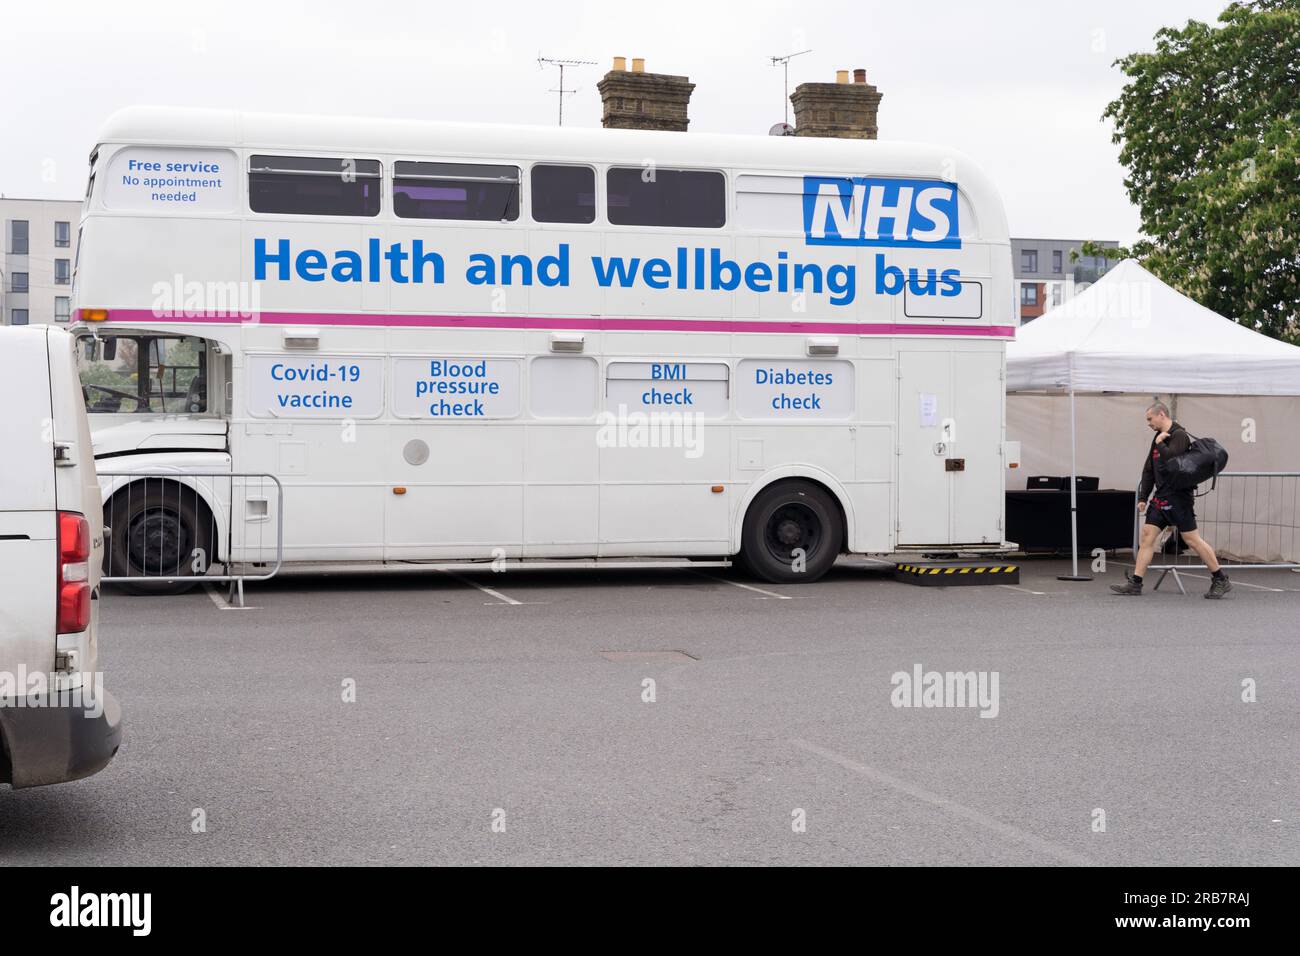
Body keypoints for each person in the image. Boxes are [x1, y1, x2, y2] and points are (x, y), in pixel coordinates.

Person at [1110, 402, 1231, 598]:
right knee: (1147, 535)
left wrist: (1160, 443)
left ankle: (1220, 579)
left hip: (1179, 497)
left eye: (1150, 419)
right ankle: (1136, 583)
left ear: (1161, 414)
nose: (1148, 423)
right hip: (1161, 497)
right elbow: (1149, 468)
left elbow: (1173, 462)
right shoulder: (1157, 437)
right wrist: (1143, 496)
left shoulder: (1179, 435)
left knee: (1192, 540)